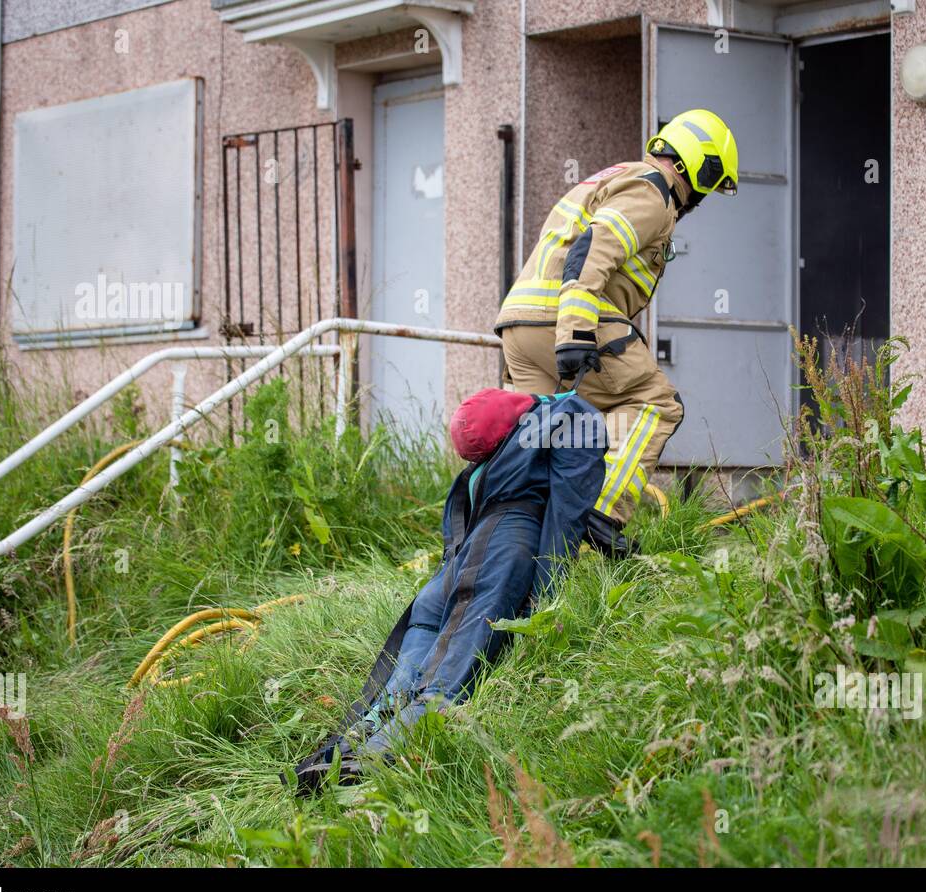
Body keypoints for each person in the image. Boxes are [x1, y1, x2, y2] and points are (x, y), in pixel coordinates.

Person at [292, 387, 606, 792]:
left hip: (454, 570)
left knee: (397, 690)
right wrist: (547, 597)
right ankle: (371, 762)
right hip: (501, 551)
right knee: (448, 678)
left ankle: (344, 749)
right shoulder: (567, 418)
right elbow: (566, 515)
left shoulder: (486, 470)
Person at [495, 109, 739, 555]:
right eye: (712, 181)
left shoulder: (614, 178)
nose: (703, 198)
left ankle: (520, 558)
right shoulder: (653, 191)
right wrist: (574, 331)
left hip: (521, 326)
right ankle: (602, 512)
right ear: (699, 166)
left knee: (544, 442)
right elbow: (592, 250)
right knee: (656, 404)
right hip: (562, 320)